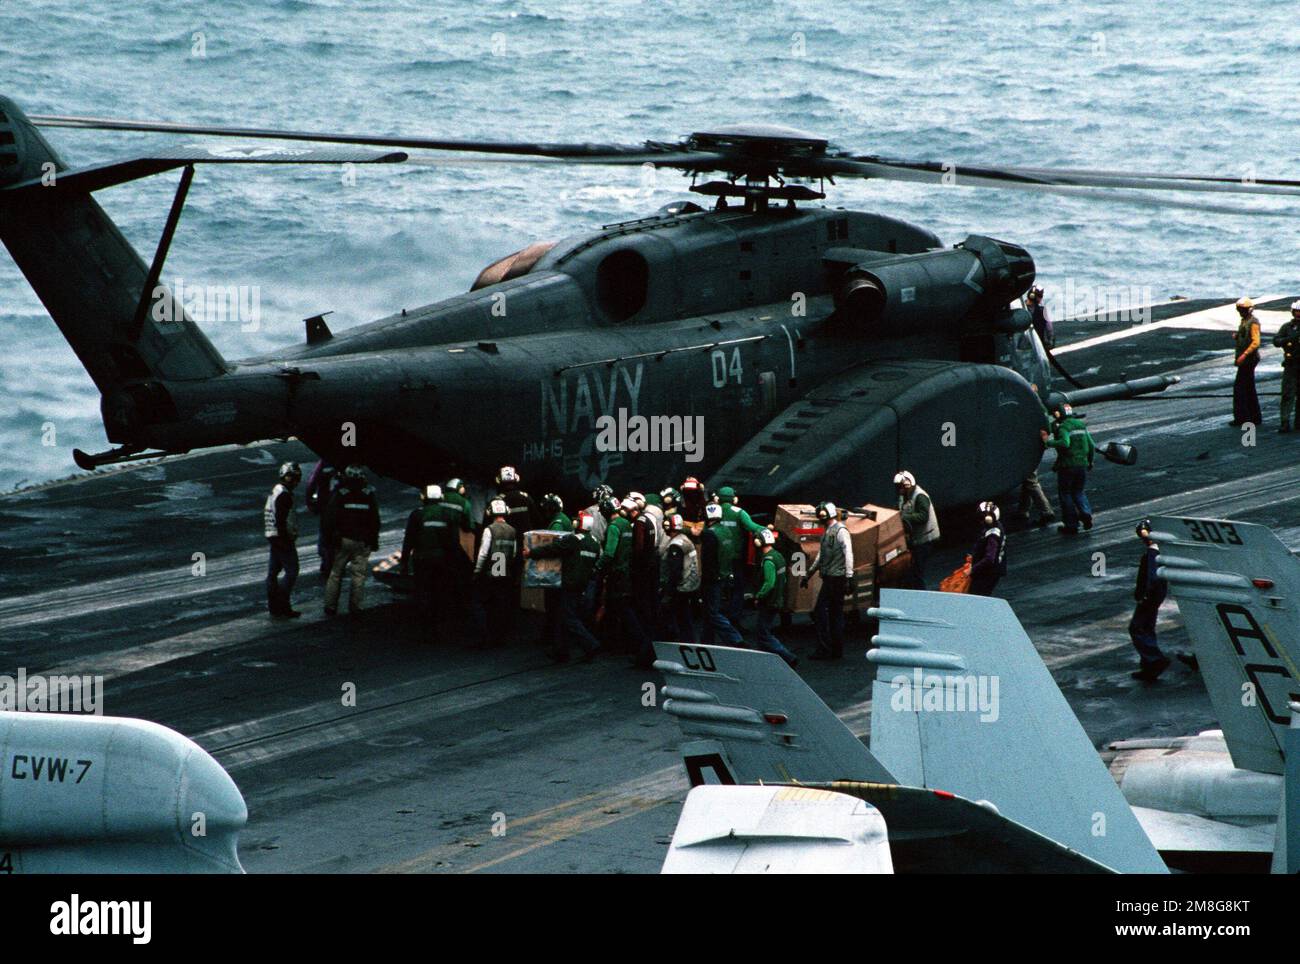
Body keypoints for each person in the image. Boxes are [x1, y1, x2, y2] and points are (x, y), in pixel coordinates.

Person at [524, 511, 601, 662]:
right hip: (583, 585)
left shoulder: (573, 540)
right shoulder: (594, 542)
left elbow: (552, 549)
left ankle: (590, 644)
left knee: (568, 617)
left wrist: (531, 552)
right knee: (564, 617)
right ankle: (561, 651)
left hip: (569, 584)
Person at [594, 496, 651, 665]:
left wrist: (597, 567)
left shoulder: (613, 527)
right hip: (628, 573)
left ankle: (642, 646)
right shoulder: (626, 524)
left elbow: (610, 553)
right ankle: (618, 644)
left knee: (623, 611)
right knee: (619, 610)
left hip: (617, 575)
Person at [401, 484, 462, 637]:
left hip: (421, 560)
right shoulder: (447, 514)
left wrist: (404, 563)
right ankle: (439, 625)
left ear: (424, 498)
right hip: (442, 560)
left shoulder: (417, 515)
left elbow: (408, 540)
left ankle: (426, 627)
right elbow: (454, 541)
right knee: (440, 591)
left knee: (423, 592)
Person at [322, 465, 380, 616]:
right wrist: (373, 540)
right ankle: (355, 607)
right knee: (358, 576)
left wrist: (328, 539)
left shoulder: (340, 493)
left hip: (343, 540)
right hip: (362, 541)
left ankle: (330, 606)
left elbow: (329, 518)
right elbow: (375, 520)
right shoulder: (368, 494)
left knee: (335, 573)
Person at [803, 501, 852, 660]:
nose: (820, 519)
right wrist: (809, 574)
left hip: (835, 578)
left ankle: (826, 648)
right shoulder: (828, 531)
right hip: (832, 577)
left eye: (822, 517)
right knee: (833, 614)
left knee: (822, 612)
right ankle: (835, 650)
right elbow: (821, 555)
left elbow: (848, 554)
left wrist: (849, 577)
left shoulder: (840, 531)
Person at [1042, 401, 1095, 535]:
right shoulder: (1081, 425)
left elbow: (1065, 443)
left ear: (1058, 413)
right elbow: (1092, 445)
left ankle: (1071, 524)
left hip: (1067, 466)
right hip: (1082, 464)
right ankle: (1086, 513)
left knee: (1065, 494)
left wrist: (1047, 442)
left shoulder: (1064, 427)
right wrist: (1090, 461)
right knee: (1079, 491)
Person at [717, 485, 767, 627]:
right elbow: (753, 527)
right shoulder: (739, 512)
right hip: (735, 558)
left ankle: (717, 618)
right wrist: (767, 529)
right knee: (738, 589)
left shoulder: (712, 511)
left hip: (717, 557)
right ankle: (734, 619)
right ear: (734, 499)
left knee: (718, 587)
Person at [1129, 519, 1171, 681]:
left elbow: (1152, 577)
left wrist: (1145, 595)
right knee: (1147, 626)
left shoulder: (1153, 552)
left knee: (1137, 627)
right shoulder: (1160, 549)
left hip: (1151, 595)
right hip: (1157, 593)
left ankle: (1154, 659)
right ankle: (1148, 665)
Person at [473, 499, 519, 647]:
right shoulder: (512, 530)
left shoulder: (489, 529)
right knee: (502, 605)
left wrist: (477, 571)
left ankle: (485, 637)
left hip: (490, 572)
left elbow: (483, 553)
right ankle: (500, 637)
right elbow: (513, 553)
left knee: (481, 604)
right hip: (505, 573)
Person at [751, 528, 798, 668]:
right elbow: (782, 580)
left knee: (763, 633)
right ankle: (765, 659)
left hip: (769, 601)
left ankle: (787, 657)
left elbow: (769, 583)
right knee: (763, 631)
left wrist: (758, 596)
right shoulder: (778, 556)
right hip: (778, 599)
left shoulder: (768, 561)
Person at [699, 503, 744, 646]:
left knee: (713, 612)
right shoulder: (726, 531)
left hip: (712, 578)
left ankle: (735, 638)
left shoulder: (709, 534)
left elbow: (708, 559)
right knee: (710, 611)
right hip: (725, 575)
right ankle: (707, 640)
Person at [263, 461, 302, 619]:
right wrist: (286, 539)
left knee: (273, 573)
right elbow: (282, 520)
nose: (297, 482)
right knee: (292, 571)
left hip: (272, 536)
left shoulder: (276, 491)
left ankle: (273, 606)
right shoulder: (284, 495)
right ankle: (283, 605)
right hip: (282, 538)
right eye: (295, 478)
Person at [894, 470, 940, 589]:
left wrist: (904, 517)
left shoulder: (920, 496)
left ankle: (921, 595)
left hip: (925, 539)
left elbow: (923, 517)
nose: (900, 490)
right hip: (915, 539)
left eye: (901, 487)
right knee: (912, 571)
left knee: (918, 572)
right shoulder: (904, 496)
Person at [661, 513, 700, 646]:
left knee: (679, 615)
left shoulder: (675, 546)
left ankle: (681, 641)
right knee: (684, 615)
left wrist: (668, 591)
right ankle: (687, 640)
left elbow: (675, 571)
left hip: (681, 587)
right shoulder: (685, 539)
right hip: (691, 583)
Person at [304, 459, 340, 578]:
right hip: (338, 506)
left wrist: (311, 502)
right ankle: (331, 562)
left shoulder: (324, 463)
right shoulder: (343, 462)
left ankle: (327, 561)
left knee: (326, 536)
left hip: (327, 506)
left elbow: (312, 483)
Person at [1231, 296, 1263, 428]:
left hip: (1249, 359)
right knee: (1249, 387)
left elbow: (1256, 342)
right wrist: (1237, 336)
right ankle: (1254, 417)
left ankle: (1242, 418)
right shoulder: (1245, 320)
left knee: (1240, 388)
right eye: (1239, 309)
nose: (1240, 311)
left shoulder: (1253, 322)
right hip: (1247, 359)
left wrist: (1244, 355)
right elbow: (1246, 336)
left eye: (1242, 309)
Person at [968, 501, 1007, 597]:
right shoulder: (997, 526)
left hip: (988, 573)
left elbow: (989, 558)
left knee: (977, 596)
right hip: (992, 571)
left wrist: (972, 569)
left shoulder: (993, 534)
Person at [1272, 300, 1300, 433]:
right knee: (1287, 395)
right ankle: (1285, 422)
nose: (1298, 314)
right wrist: (1288, 340)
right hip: (1291, 365)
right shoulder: (1287, 327)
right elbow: (1276, 341)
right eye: (1296, 312)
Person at [486, 465, 536, 532]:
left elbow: (487, 526)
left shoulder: (496, 501)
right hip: (525, 540)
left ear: (499, 482)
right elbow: (537, 520)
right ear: (516, 480)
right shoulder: (526, 498)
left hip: (506, 541)